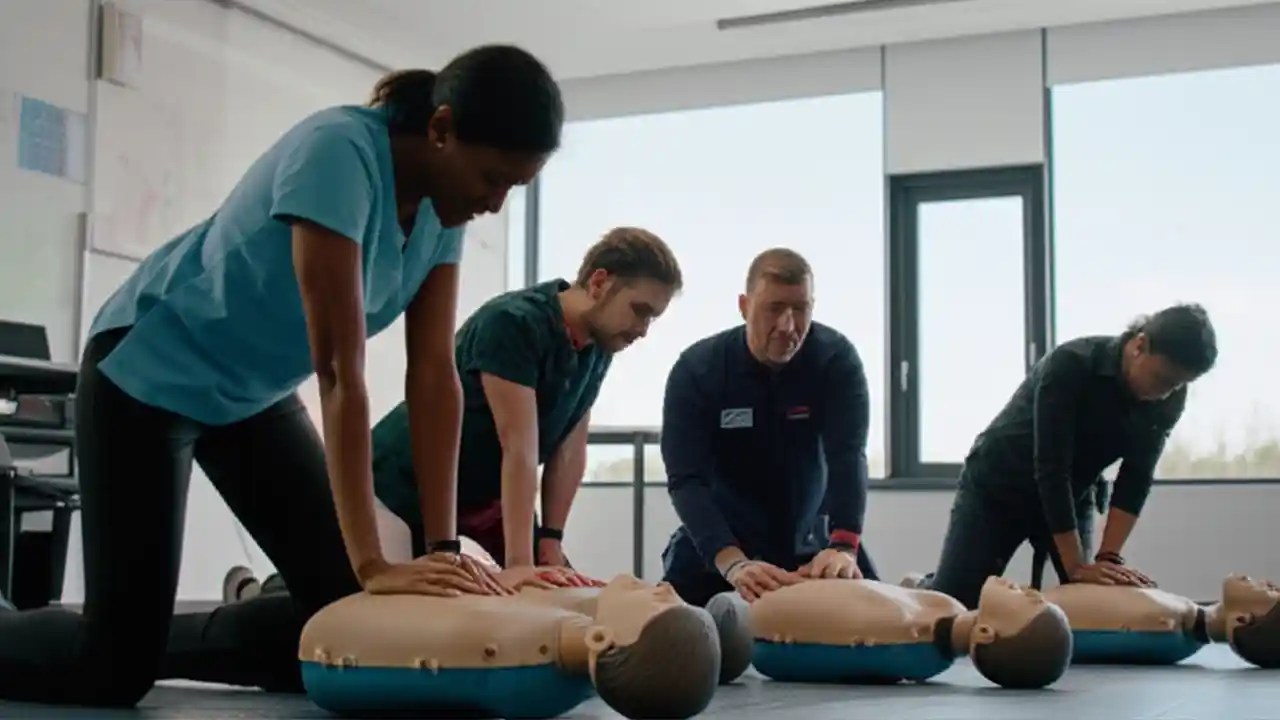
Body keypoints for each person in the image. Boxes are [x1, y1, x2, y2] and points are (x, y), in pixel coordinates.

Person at [0, 44, 564, 707]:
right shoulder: (339, 151)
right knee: (111, 672)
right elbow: (339, 372)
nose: (495, 204)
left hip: (249, 396)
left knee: (342, 629)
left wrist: (441, 549)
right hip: (148, 372)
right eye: (491, 179)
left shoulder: (444, 209)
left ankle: (140, 637)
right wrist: (375, 563)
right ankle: (121, 642)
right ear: (440, 130)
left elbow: (435, 375)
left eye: (513, 188)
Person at [372, 227, 682, 576]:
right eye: (640, 311)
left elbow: (570, 448)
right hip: (398, 485)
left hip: (482, 495)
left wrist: (550, 539)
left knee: (561, 587)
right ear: (599, 283)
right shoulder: (514, 323)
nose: (643, 330)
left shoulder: (598, 347)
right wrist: (520, 566)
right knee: (406, 608)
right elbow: (518, 446)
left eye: (652, 318)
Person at [905, 304, 1217, 609]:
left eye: (1177, 384)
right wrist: (1076, 566)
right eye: (1162, 379)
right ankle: (923, 586)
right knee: (956, 605)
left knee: (1090, 599)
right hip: (999, 488)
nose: (1166, 392)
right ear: (1140, 345)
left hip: (1073, 494)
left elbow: (1137, 477)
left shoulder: (1171, 397)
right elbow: (1052, 467)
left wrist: (1108, 559)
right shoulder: (1071, 364)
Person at [659, 248, 878, 608]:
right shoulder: (698, 369)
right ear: (744, 306)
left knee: (880, 634)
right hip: (722, 544)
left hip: (812, 541)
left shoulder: (835, 360)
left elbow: (848, 456)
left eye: (800, 309)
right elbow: (686, 480)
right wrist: (733, 563)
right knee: (668, 640)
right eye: (774, 309)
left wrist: (843, 547)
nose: (787, 327)